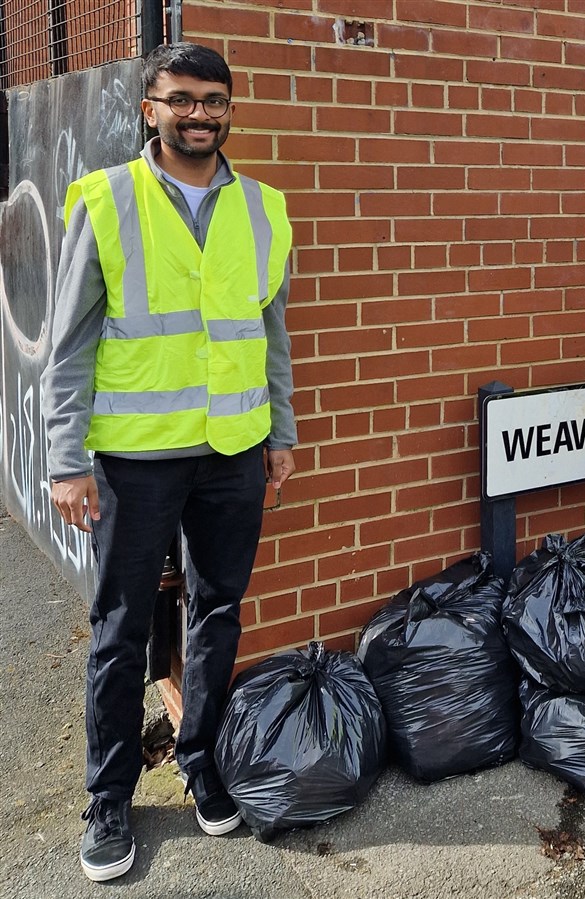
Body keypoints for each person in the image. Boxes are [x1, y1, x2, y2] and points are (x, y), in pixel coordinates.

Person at [41, 43, 296, 881]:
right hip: (135, 458)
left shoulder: (262, 206)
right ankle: (110, 795)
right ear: (148, 108)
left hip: (233, 450)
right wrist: (64, 459)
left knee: (218, 612)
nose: (199, 114)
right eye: (180, 99)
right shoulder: (106, 199)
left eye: (213, 100)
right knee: (120, 627)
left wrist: (281, 432)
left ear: (229, 110)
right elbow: (69, 342)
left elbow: (270, 333)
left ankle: (200, 761)